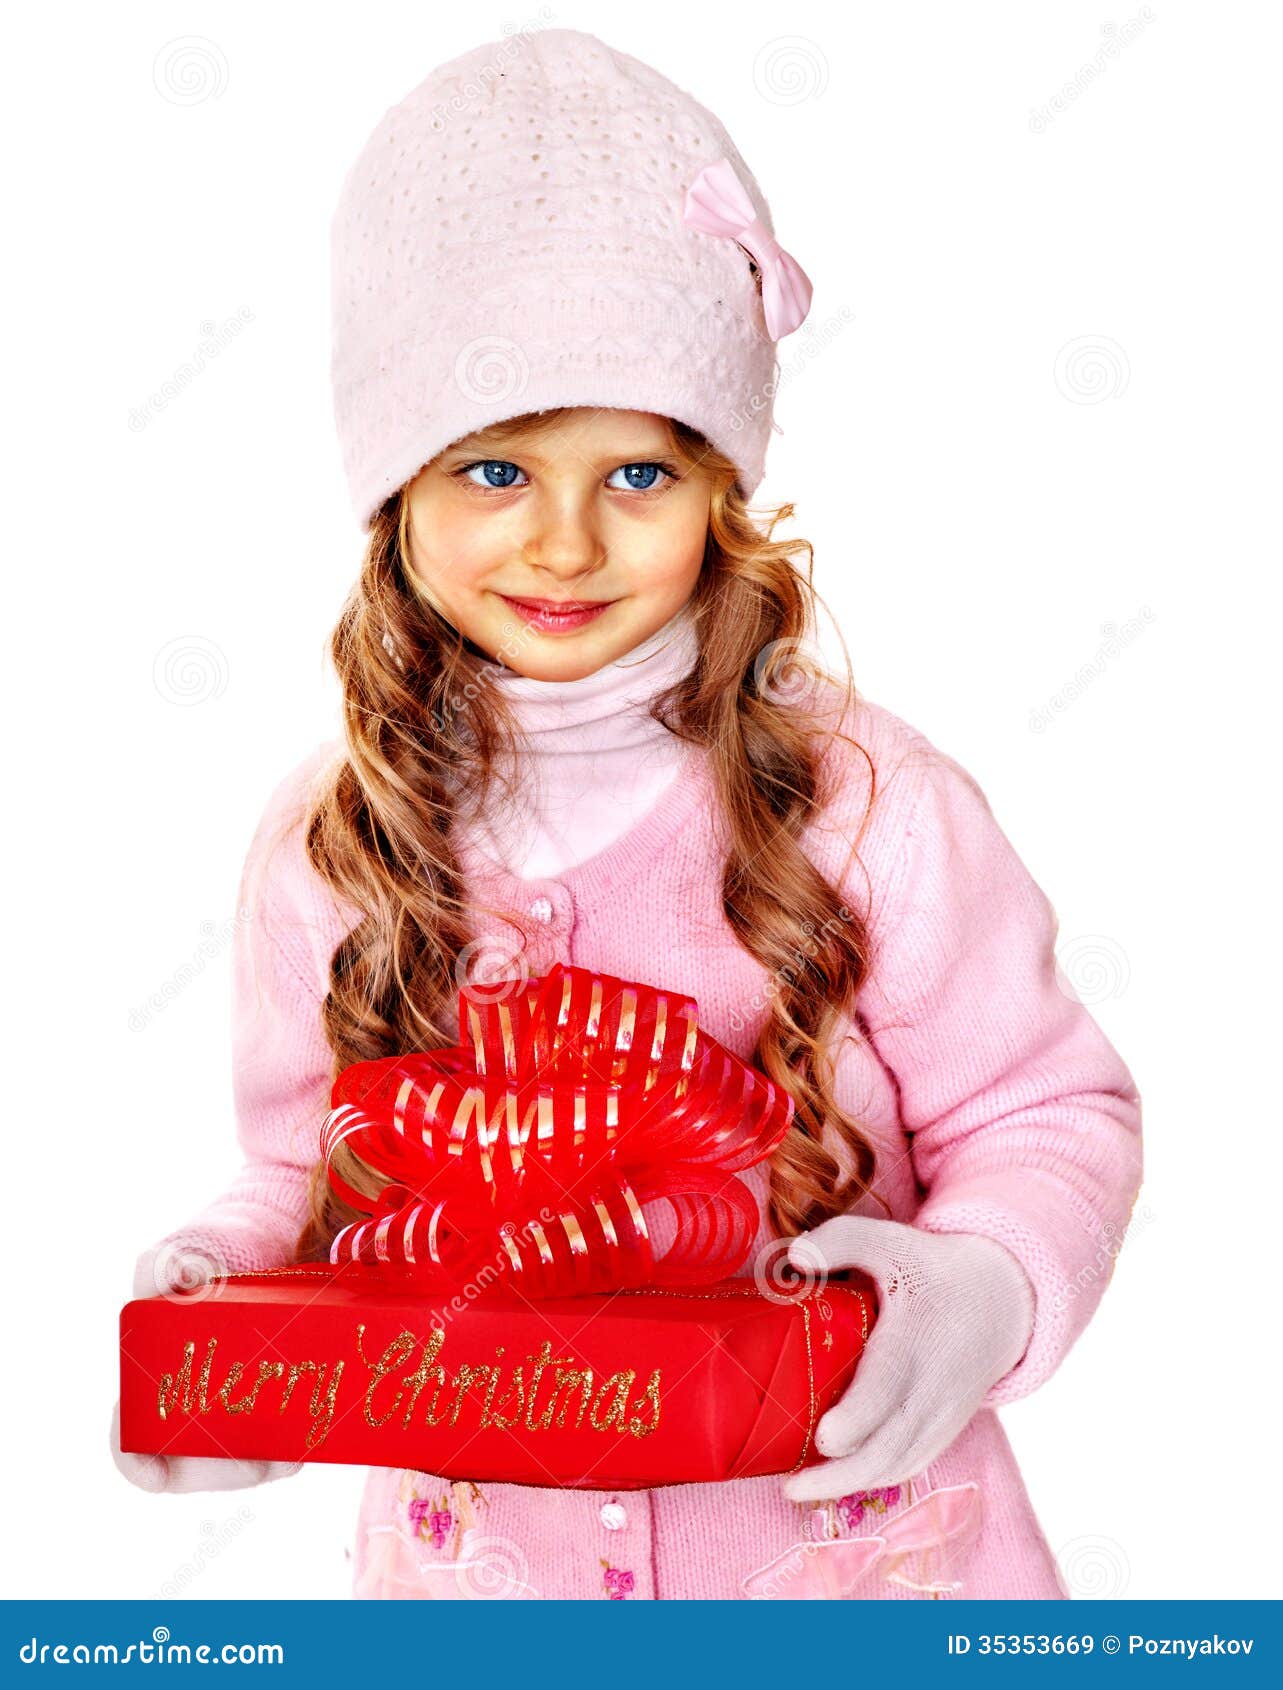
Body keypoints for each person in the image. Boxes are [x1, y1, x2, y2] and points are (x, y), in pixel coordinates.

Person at [111, 26, 1142, 1601]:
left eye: (640, 475)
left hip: (865, 1586)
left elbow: (1049, 1114)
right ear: (394, 490)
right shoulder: (335, 844)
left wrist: (981, 1289)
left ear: (721, 478)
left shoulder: (875, 811)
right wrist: (225, 1303)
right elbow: (306, 1171)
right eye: (496, 472)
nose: (569, 543)